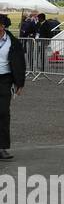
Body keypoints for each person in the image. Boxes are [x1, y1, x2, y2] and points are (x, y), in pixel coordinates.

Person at [0, 14, 26, 161]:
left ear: (2, 26)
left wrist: (20, 83)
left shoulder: (13, 43)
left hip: (5, 79)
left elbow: (20, 63)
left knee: (3, 112)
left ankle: (2, 147)